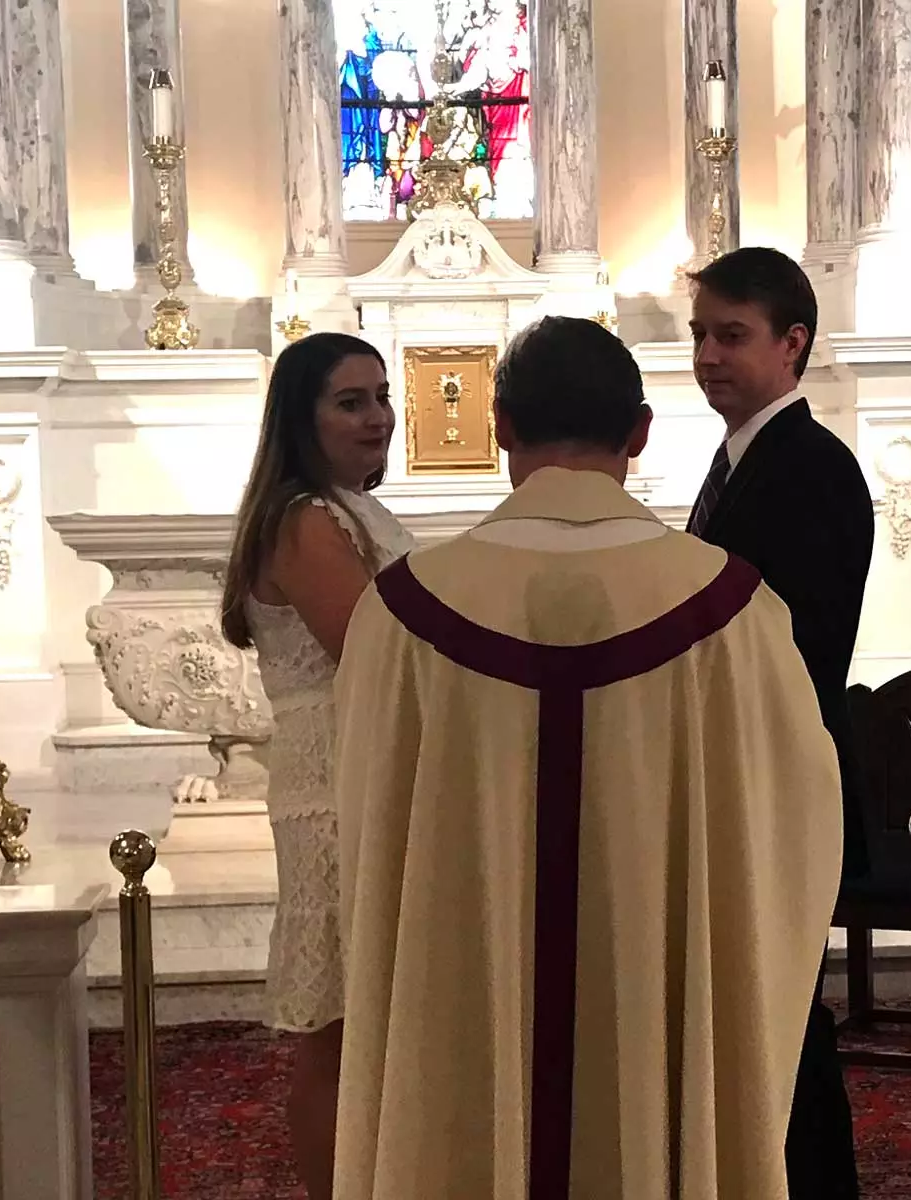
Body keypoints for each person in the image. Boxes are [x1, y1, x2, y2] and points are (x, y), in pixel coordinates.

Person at [331, 316, 843, 1199]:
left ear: (500, 431)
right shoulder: (731, 610)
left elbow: (371, 834)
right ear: (640, 434)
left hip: (466, 1001)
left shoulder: (403, 612)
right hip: (658, 1014)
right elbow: (796, 821)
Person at [686, 245, 873, 1198]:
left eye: (732, 335)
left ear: (793, 343)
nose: (710, 355)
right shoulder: (741, 462)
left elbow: (783, 645)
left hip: (773, 771)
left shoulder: (810, 468)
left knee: (785, 1014)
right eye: (700, 336)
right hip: (737, 770)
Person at [218, 332, 416, 1200]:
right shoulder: (306, 518)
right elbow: (374, 646)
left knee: (380, 1011)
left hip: (371, 765)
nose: (377, 416)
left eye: (381, 396)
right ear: (301, 419)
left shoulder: (353, 509)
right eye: (351, 401)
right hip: (335, 780)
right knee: (339, 1022)